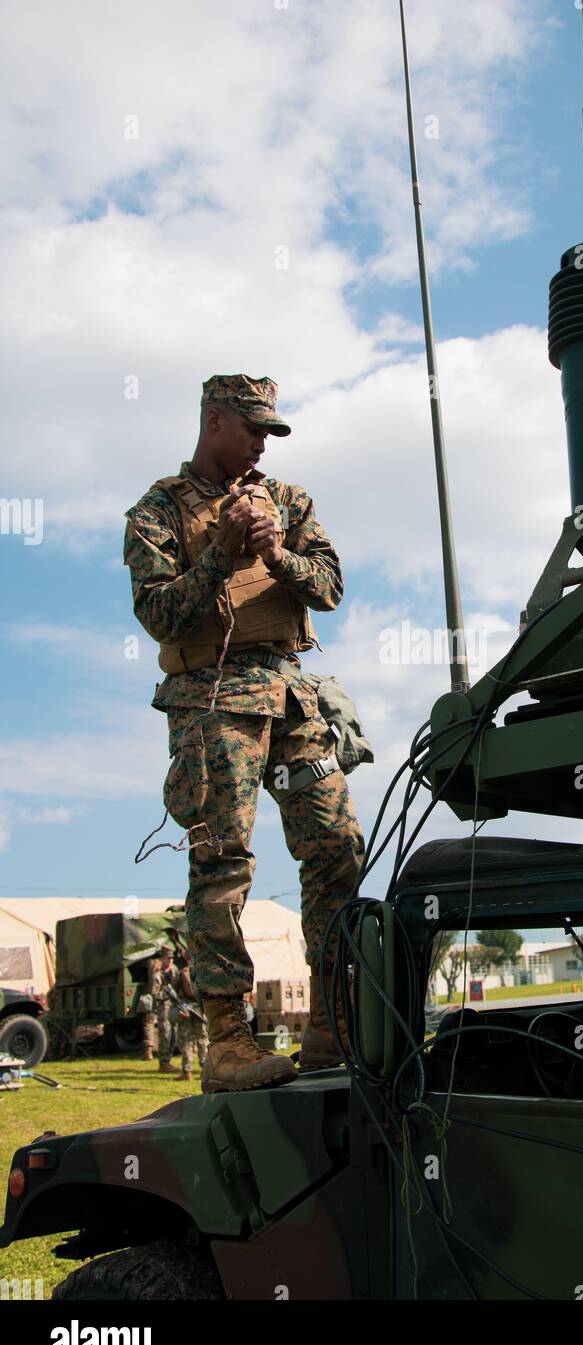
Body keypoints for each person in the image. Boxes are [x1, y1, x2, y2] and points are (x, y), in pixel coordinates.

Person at [123, 374, 365, 1094]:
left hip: (292, 700)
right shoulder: (157, 510)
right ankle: (228, 1040)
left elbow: (329, 586)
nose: (263, 441)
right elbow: (160, 616)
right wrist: (218, 558)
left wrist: (276, 554)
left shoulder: (288, 501)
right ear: (214, 420)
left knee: (335, 847)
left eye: (271, 431)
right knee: (222, 861)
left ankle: (332, 1026)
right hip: (212, 704)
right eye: (254, 427)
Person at [174, 955, 209, 1082]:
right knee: (202, 1040)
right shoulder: (203, 972)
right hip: (200, 1010)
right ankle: (205, 1071)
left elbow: (174, 992)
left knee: (186, 1040)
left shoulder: (182, 973)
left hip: (186, 1009)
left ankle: (187, 1071)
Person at [150, 946, 180, 1074]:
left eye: (172, 958)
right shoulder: (157, 974)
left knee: (174, 1034)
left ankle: (168, 1061)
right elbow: (154, 993)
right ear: (162, 959)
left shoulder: (175, 971)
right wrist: (167, 994)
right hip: (164, 1008)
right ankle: (163, 1063)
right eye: (168, 958)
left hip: (174, 1007)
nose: (171, 961)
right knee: (165, 1035)